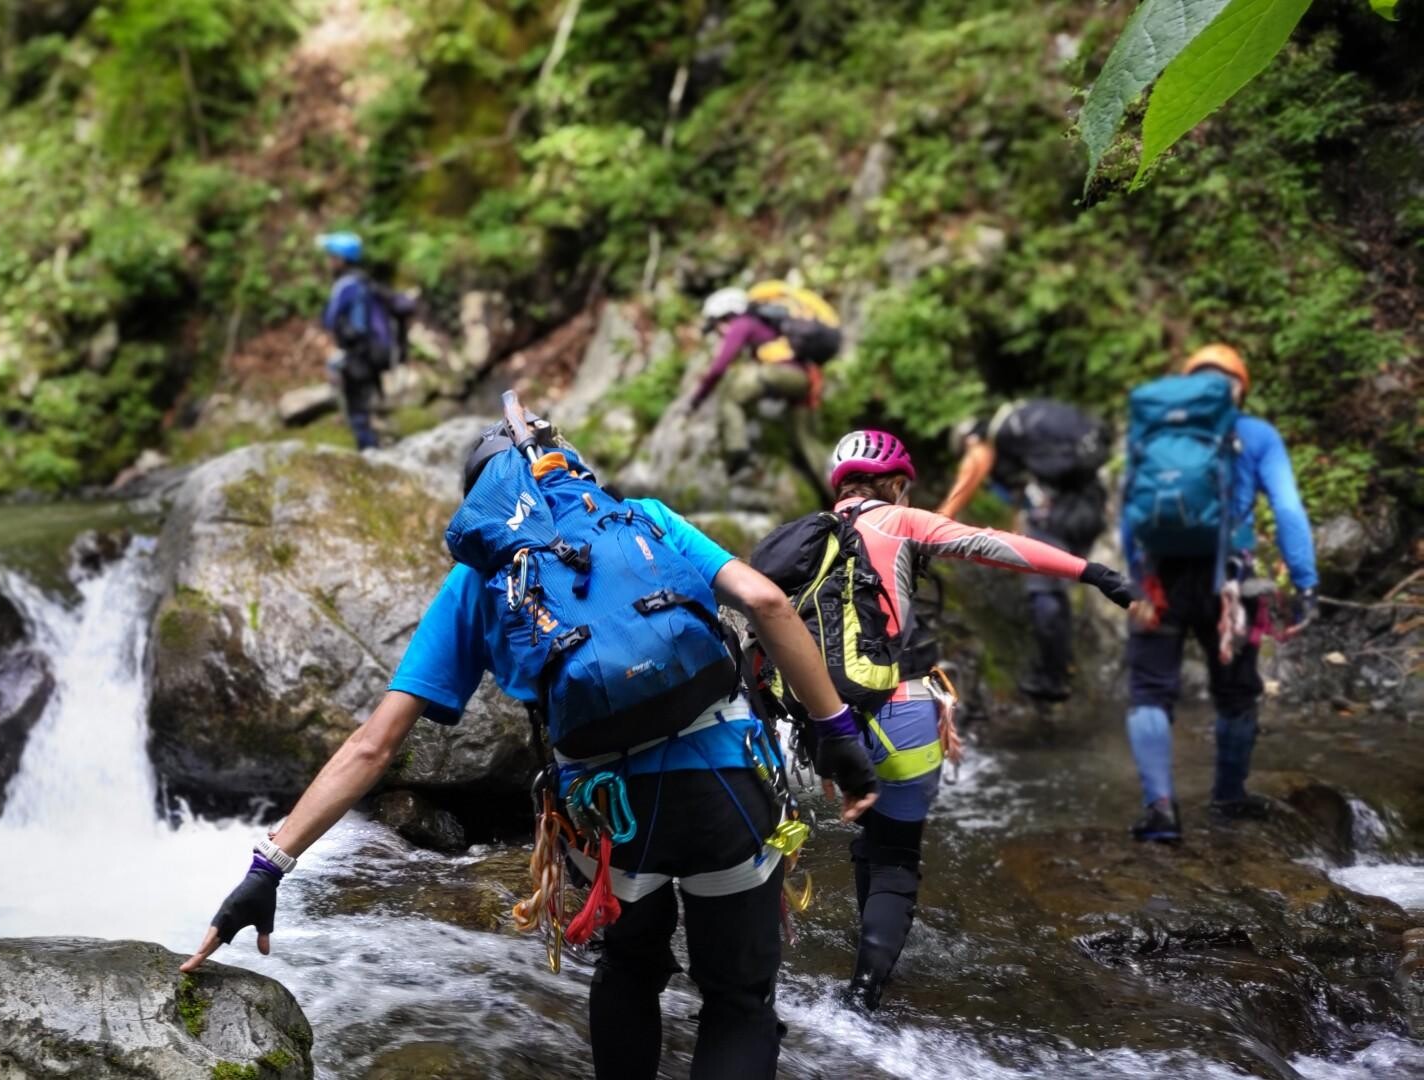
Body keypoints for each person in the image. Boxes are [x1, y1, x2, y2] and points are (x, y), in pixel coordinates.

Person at [183, 408, 881, 1080]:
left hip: (613, 821)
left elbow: (375, 744)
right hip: (728, 786)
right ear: (569, 464)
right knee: (737, 1001)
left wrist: (269, 867)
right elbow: (767, 603)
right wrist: (839, 737)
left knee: (631, 970)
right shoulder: (642, 519)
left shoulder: (478, 579)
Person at [764, 430, 1131, 1010]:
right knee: (896, 856)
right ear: (898, 485)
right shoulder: (901, 522)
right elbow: (1000, 546)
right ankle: (865, 993)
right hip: (901, 711)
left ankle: (853, 981)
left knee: (869, 839)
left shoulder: (802, 540)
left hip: (823, 727)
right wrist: (1094, 573)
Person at [1120, 345, 1318, 843]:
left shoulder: (1152, 431)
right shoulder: (1256, 434)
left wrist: (1136, 583)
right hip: (1232, 584)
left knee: (1150, 691)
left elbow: (1129, 512)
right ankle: (1228, 799)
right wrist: (1306, 582)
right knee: (1235, 693)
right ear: (1240, 386)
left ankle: (1160, 810)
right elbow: (1289, 509)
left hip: (1159, 580)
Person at [937, 400, 1112, 703]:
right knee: (1061, 586)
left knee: (1045, 594)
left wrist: (939, 520)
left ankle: (1053, 678)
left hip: (1057, 514)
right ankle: (1064, 664)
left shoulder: (992, 439)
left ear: (970, 439)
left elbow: (976, 463)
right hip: (1089, 507)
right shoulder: (1027, 427)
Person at [689, 283, 840, 489]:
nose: (718, 333)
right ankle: (840, 493)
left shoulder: (742, 323)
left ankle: (738, 454)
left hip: (781, 375)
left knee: (731, 397)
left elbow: (719, 368)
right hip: (805, 379)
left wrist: (697, 399)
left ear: (724, 316)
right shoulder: (769, 327)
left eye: (715, 326)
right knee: (807, 441)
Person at [317, 232, 408, 450]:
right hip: (371, 353)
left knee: (358, 413)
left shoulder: (345, 285)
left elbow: (329, 319)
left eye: (331, 256)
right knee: (366, 409)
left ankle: (370, 455)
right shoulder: (365, 281)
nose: (328, 261)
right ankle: (376, 448)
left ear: (340, 258)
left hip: (358, 355)